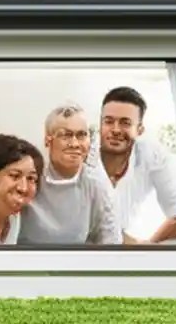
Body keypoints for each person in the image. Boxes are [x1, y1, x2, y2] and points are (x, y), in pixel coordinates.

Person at [16, 102, 122, 245]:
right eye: (65, 135)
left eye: (81, 135)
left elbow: (110, 239)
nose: (75, 144)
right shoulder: (29, 178)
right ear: (48, 141)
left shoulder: (96, 185)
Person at [97, 86, 176, 244]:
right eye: (109, 121)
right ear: (100, 125)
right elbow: (91, 231)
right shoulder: (83, 155)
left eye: (125, 123)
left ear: (140, 130)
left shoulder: (151, 154)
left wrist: (149, 247)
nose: (116, 130)